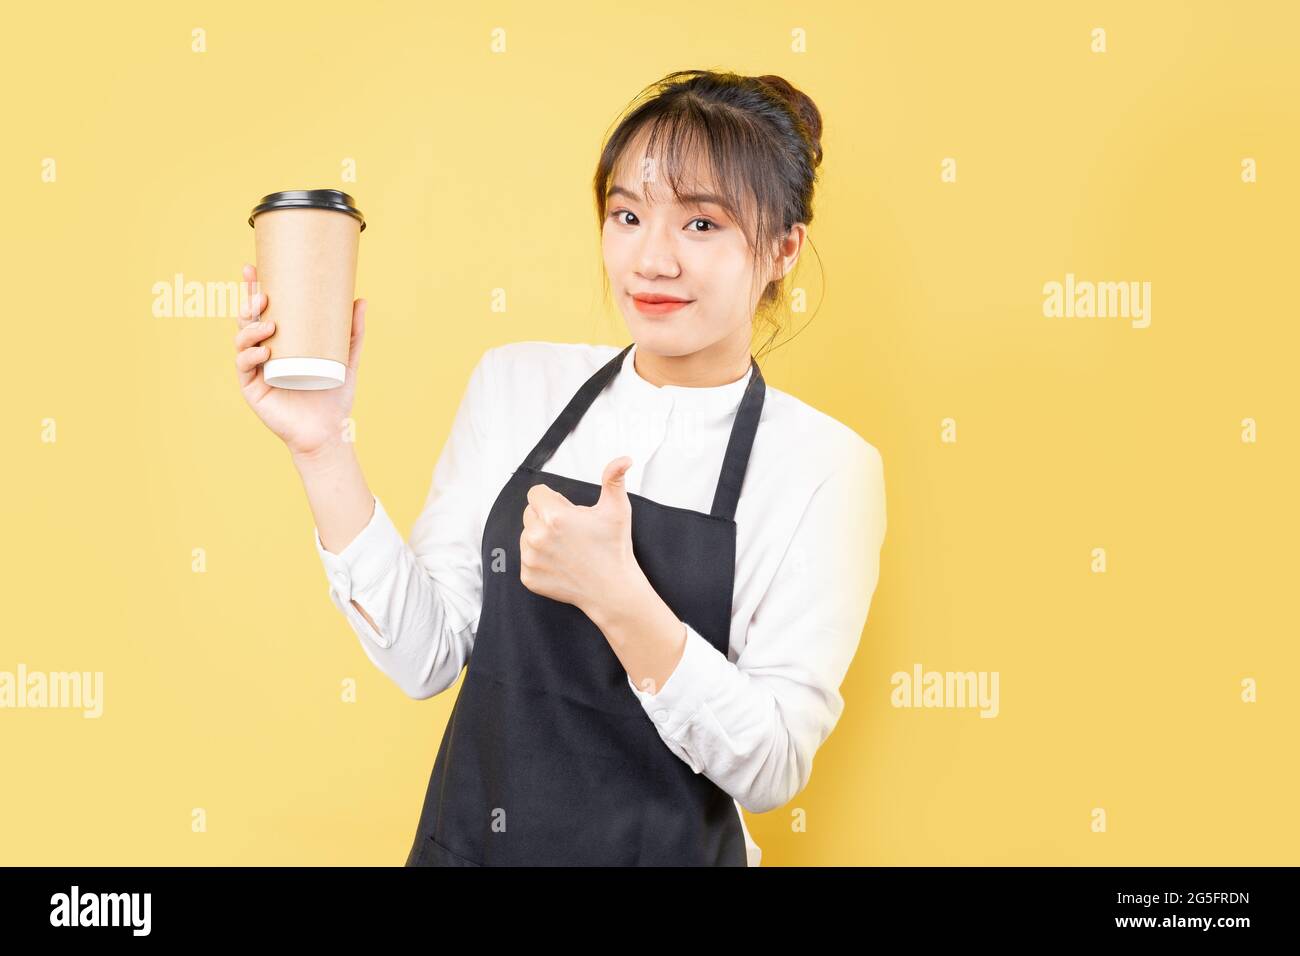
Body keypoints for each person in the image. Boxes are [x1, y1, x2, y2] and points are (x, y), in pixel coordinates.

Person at [233, 69, 887, 866]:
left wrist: (619, 597)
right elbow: (427, 656)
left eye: (702, 226)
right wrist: (320, 443)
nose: (652, 260)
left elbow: (772, 765)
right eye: (628, 214)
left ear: (784, 247)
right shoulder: (516, 386)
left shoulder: (826, 468)